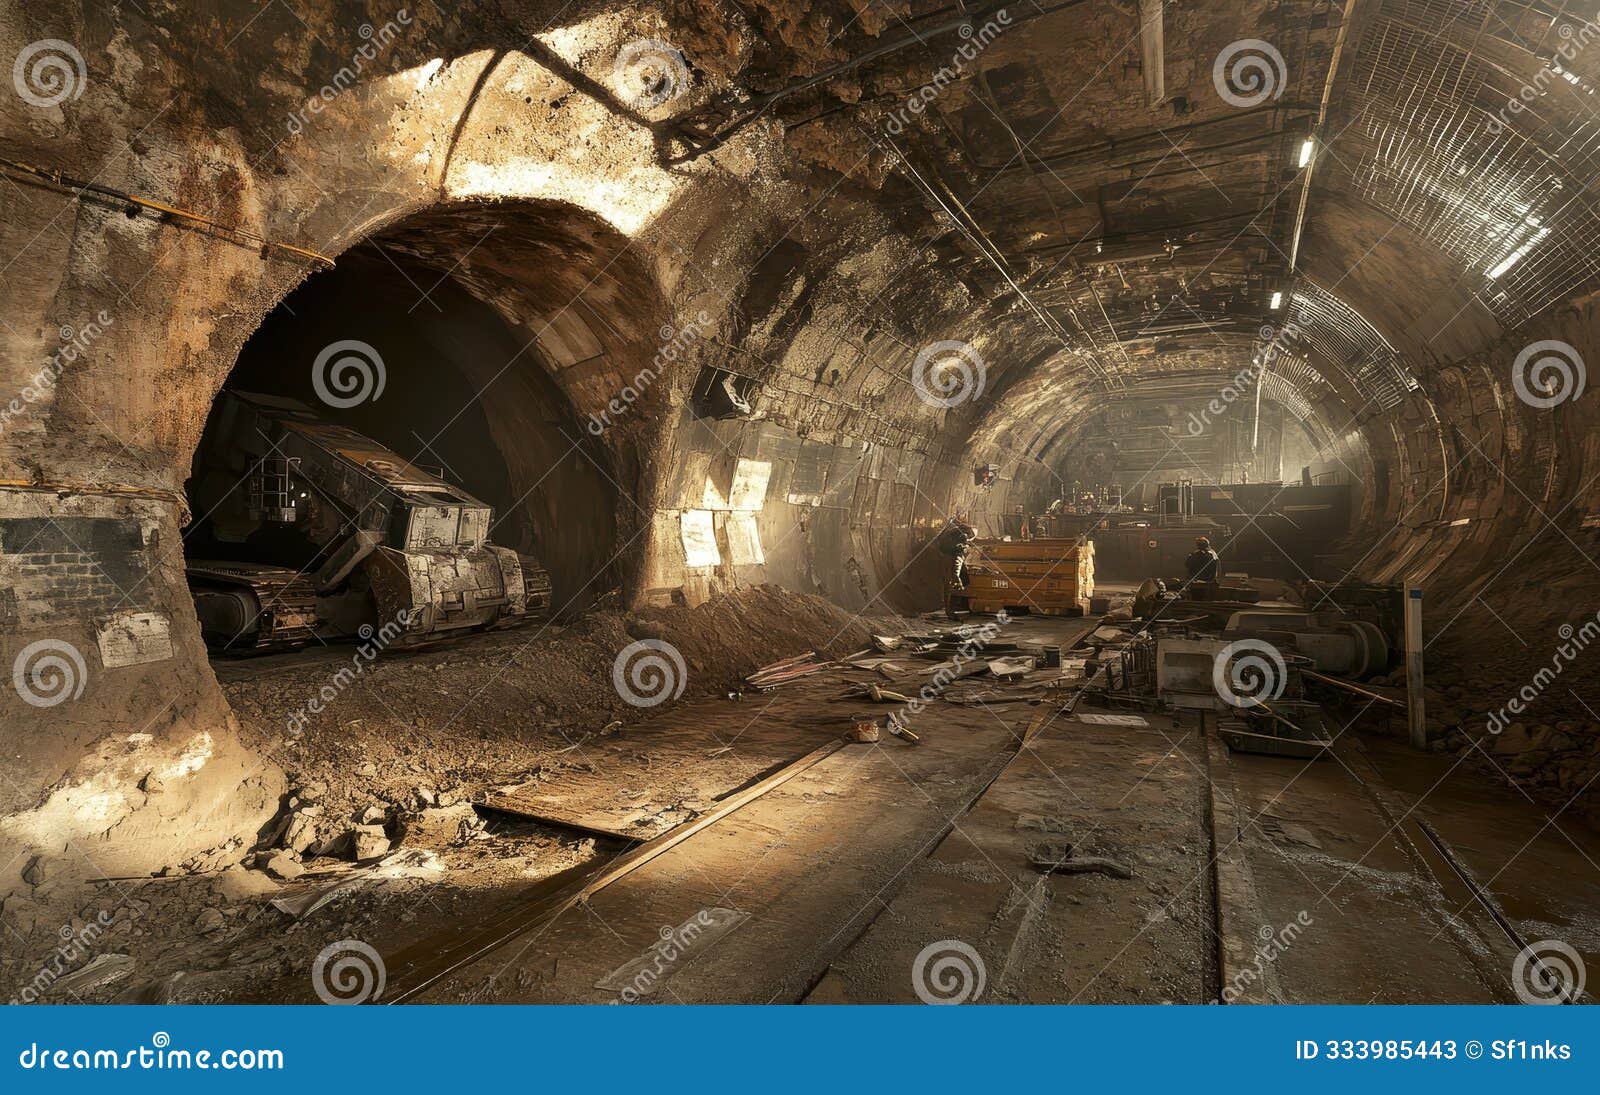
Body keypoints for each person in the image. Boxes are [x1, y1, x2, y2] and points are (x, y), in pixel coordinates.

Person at [937, 515, 977, 587]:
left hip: (944, 551)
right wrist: (964, 547)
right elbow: (958, 559)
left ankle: (957, 582)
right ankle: (956, 583)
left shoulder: (952, 529)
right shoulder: (962, 534)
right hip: (948, 552)